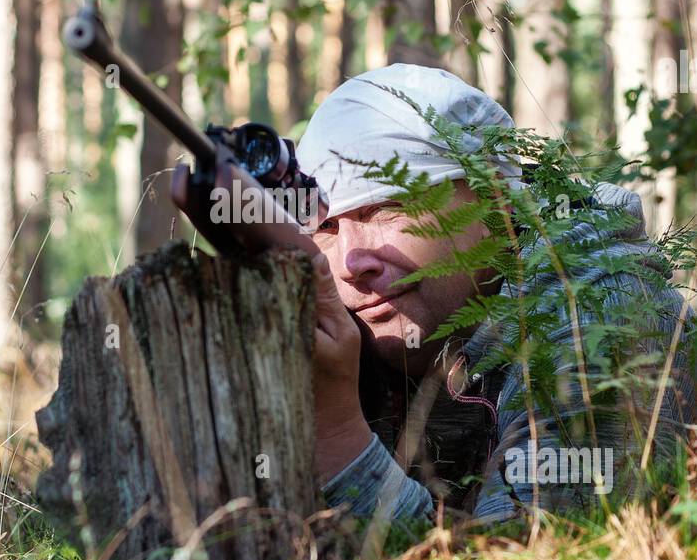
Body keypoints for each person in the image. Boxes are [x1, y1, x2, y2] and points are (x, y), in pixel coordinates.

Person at [296, 64, 696, 526]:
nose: (351, 262)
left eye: (388, 207)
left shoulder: (596, 310)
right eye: (326, 226)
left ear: (497, 202)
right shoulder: (332, 328)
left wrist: (339, 434)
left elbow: (531, 559)